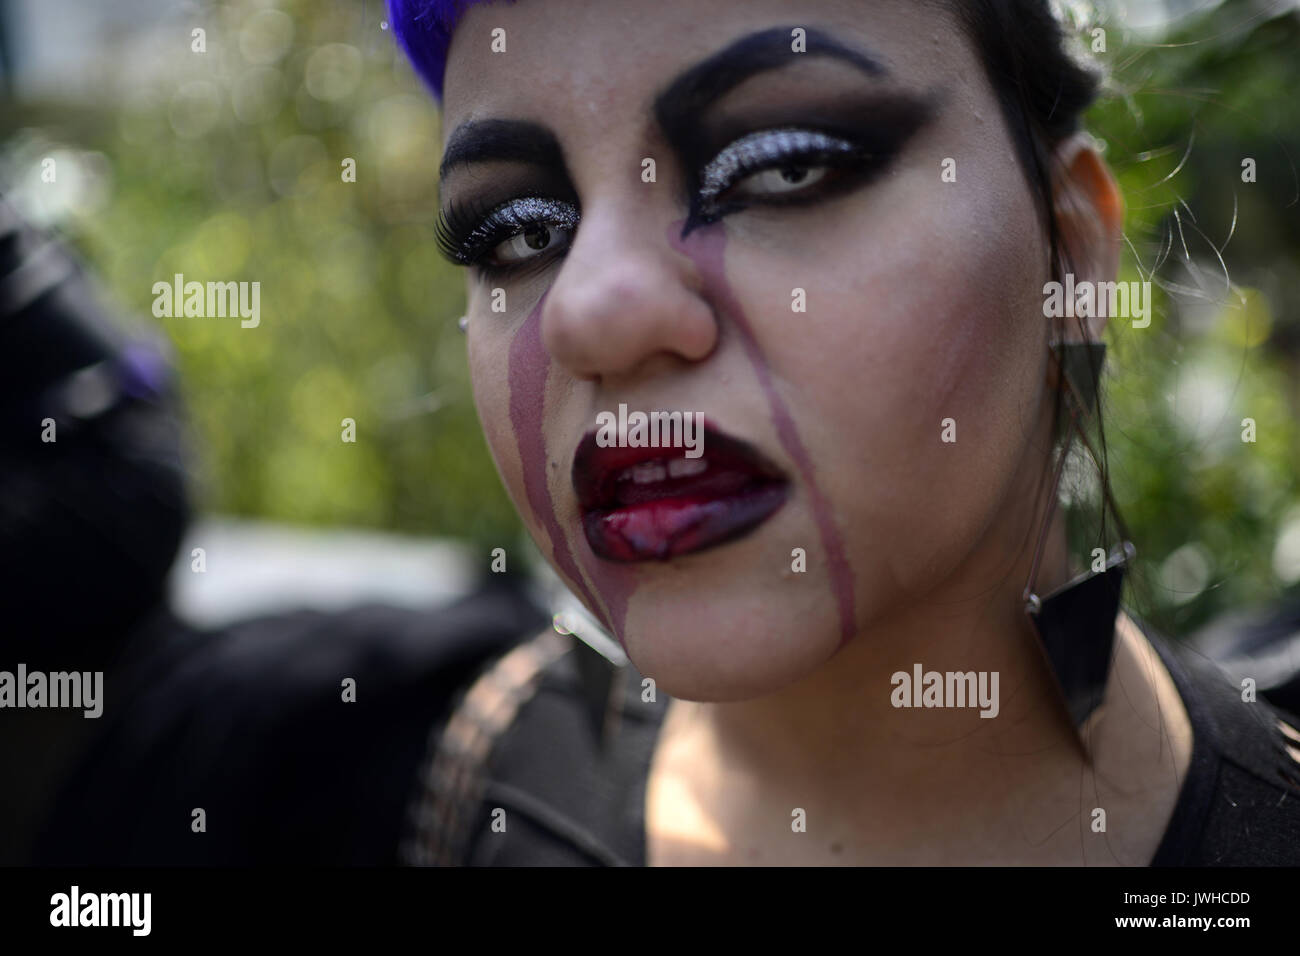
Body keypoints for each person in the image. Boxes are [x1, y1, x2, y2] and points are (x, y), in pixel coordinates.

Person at [30, 0, 1300, 866]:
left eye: (781, 166)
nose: (591, 307)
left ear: (1070, 249)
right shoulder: (359, 792)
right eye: (517, 231)